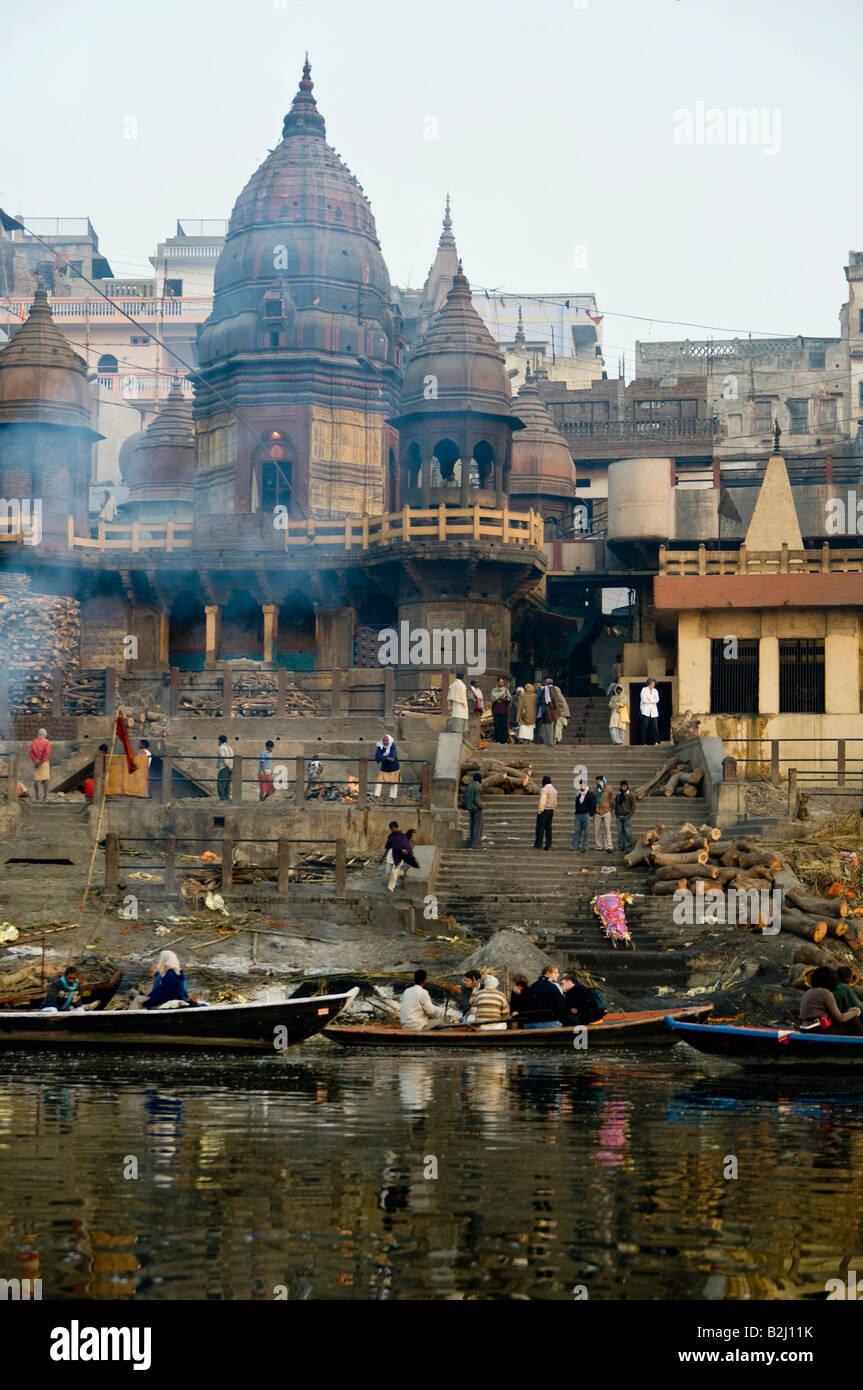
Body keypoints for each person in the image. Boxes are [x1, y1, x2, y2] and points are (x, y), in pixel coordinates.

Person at [798, 965, 863, 1035]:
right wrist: (856, 1011)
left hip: (804, 1028)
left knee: (847, 1011)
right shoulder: (825, 993)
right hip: (818, 1029)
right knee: (853, 1019)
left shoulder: (808, 992)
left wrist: (849, 1011)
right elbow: (840, 1018)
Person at [520, 965, 567, 1029]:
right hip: (550, 1023)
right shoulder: (554, 986)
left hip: (531, 1024)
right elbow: (561, 1006)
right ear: (548, 973)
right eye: (555, 973)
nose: (558, 975)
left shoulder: (532, 986)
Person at [382, 821, 420, 892]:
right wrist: (383, 857)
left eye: (391, 829)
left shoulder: (401, 836)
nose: (391, 830)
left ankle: (391, 887)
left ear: (393, 828)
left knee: (394, 872)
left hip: (398, 856)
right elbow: (387, 847)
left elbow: (405, 842)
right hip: (390, 855)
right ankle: (402, 872)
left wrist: (405, 850)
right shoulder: (390, 836)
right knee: (388, 871)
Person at [373, 733, 400, 802]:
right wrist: (387, 758)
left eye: (386, 740)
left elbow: (393, 757)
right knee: (379, 782)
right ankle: (376, 799)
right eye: (384, 740)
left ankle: (392, 800)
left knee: (394, 785)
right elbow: (377, 756)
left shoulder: (392, 746)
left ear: (389, 741)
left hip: (394, 768)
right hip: (384, 768)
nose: (385, 742)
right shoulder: (380, 746)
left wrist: (382, 758)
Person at [533, 774, 558, 851]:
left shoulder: (544, 789)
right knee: (548, 829)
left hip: (544, 811)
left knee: (540, 828)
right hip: (551, 811)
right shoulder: (554, 790)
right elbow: (555, 802)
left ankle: (538, 845)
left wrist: (540, 811)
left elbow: (542, 801)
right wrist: (553, 809)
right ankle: (548, 844)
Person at [570, 781, 596, 851]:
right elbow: (576, 804)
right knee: (577, 831)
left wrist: (591, 813)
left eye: (584, 785)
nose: (582, 786)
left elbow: (593, 804)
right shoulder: (578, 794)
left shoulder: (589, 794)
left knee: (586, 832)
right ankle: (574, 847)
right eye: (581, 785)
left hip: (586, 815)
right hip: (578, 815)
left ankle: (585, 847)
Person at [29, 727, 51, 802]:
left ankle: (37, 797)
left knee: (36, 780)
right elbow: (47, 753)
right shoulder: (47, 742)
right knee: (46, 780)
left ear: (38, 734)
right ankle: (45, 797)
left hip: (36, 763)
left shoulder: (33, 742)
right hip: (44, 762)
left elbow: (31, 753)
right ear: (45, 734)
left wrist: (36, 761)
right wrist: (42, 761)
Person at [614, 780, 636, 853]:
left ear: (627, 787)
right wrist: (617, 815)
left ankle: (628, 847)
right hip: (619, 817)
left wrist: (630, 815)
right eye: (622, 786)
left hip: (627, 816)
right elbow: (616, 806)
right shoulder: (618, 795)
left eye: (625, 786)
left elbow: (633, 806)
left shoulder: (630, 795)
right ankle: (621, 846)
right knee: (620, 833)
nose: (623, 788)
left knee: (628, 832)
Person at [464, 771, 484, 849]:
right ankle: (476, 844)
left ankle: (472, 842)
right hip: (476, 808)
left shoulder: (469, 785)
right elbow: (476, 800)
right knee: (478, 826)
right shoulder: (478, 786)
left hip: (470, 808)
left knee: (472, 825)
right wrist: (481, 806)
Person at [594, 775, 614, 852]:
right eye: (596, 780)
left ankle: (609, 846)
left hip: (606, 811)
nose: (597, 782)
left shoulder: (608, 789)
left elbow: (611, 800)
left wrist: (610, 809)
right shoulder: (595, 790)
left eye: (598, 780)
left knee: (607, 829)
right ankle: (599, 846)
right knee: (597, 830)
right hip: (597, 811)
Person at [538, 677, 559, 746]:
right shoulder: (555, 689)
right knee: (553, 727)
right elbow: (556, 701)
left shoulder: (545, 689)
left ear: (546, 683)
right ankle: (552, 741)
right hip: (554, 711)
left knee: (548, 727)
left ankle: (548, 742)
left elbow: (542, 700)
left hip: (548, 710)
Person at [490, 678, 511, 745]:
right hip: (496, 711)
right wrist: (498, 699)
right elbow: (493, 699)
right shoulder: (494, 690)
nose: (501, 683)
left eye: (502, 682)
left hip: (504, 711)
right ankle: (498, 740)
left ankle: (504, 740)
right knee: (497, 726)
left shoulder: (505, 690)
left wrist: (504, 699)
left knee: (504, 726)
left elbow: (510, 699)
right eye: (500, 682)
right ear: (497, 683)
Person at [639, 678, 660, 745]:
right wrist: (652, 700)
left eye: (654, 684)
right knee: (644, 727)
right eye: (651, 684)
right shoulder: (644, 690)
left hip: (653, 712)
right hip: (645, 711)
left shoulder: (655, 691)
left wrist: (650, 699)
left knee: (655, 727)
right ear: (648, 684)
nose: (653, 685)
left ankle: (656, 741)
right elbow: (644, 700)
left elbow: (657, 699)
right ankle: (644, 743)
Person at [217, 734, 234, 801]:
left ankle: (222, 798)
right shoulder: (229, 748)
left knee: (221, 783)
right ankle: (226, 798)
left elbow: (223, 758)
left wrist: (228, 767)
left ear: (220, 741)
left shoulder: (221, 747)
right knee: (227, 783)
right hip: (230, 767)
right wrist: (231, 767)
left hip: (224, 767)